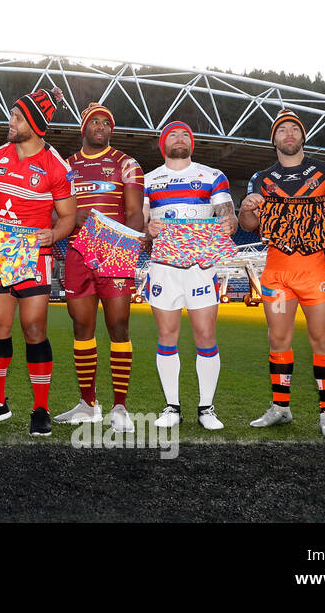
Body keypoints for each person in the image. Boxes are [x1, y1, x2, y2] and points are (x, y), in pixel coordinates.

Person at [238, 109, 325, 439]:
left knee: (322, 339)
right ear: (274, 140)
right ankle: (281, 408)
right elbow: (248, 226)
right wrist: (246, 208)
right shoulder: (260, 178)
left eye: (295, 128)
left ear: (303, 135)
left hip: (315, 271)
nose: (289, 134)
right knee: (278, 339)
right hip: (277, 273)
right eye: (282, 130)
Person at [0, 89, 76, 436]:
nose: (9, 122)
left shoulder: (56, 166)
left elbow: (68, 217)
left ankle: (40, 408)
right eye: (11, 115)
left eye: (16, 117)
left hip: (34, 253)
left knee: (34, 329)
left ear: (34, 124)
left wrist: (54, 235)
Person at [56, 103, 145, 432]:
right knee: (82, 328)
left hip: (115, 249)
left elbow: (135, 212)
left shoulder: (126, 163)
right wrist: (70, 219)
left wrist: (129, 250)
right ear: (84, 128)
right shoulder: (66, 166)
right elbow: (56, 214)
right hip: (79, 252)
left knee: (119, 325)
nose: (101, 127)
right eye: (94, 122)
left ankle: (120, 406)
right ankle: (88, 404)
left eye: (106, 123)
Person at [142, 122, 236, 430]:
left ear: (192, 143)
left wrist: (227, 223)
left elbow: (228, 218)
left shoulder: (212, 176)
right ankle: (172, 407)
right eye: (173, 134)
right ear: (163, 143)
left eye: (186, 134)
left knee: (205, 336)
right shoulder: (149, 180)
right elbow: (141, 229)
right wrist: (147, 230)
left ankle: (206, 408)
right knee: (167, 336)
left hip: (201, 268)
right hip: (163, 268)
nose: (180, 138)